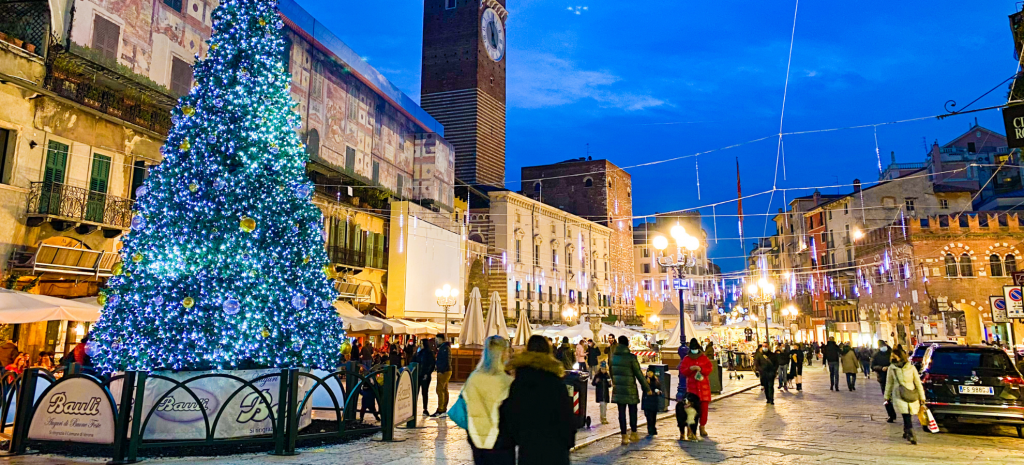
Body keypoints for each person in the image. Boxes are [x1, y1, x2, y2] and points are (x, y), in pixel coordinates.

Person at [499, 335, 576, 465]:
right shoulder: (556, 382)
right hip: (556, 451)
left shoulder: (519, 383)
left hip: (529, 450)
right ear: (548, 351)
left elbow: (510, 417)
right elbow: (567, 416)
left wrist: (519, 439)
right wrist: (568, 442)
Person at [460, 335, 514, 465]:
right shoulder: (506, 381)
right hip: (500, 442)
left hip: (476, 438)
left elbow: (465, 406)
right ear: (502, 354)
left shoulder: (473, 378)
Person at [610, 335, 651, 445]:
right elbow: (639, 374)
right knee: (633, 411)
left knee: (621, 413)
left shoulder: (613, 357)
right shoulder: (631, 357)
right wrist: (647, 388)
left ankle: (624, 436)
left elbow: (611, 372)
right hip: (630, 388)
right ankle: (633, 433)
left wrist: (615, 383)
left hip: (618, 388)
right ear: (627, 344)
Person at [884, 347, 927, 445]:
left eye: (893, 355)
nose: (891, 357)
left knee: (909, 413)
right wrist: (887, 396)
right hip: (898, 394)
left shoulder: (911, 367)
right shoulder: (892, 368)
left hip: (910, 393)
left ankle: (906, 430)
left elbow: (918, 383)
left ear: (899, 356)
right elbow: (889, 383)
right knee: (906, 414)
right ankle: (911, 433)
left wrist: (922, 397)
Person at [677, 338, 712, 437]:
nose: (694, 350)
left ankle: (702, 427)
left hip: (703, 387)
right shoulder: (687, 359)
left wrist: (701, 369)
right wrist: (690, 369)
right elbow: (683, 370)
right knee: (692, 411)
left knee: (704, 410)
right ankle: (692, 430)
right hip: (692, 389)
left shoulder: (704, 358)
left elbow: (709, 368)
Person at [872, 340, 898, 422]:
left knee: (896, 396)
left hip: (893, 377)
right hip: (883, 378)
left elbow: (897, 362)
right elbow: (872, 366)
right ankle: (891, 414)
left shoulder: (891, 353)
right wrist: (881, 368)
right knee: (887, 397)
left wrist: (891, 367)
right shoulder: (876, 355)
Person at [413, 339, 436, 416]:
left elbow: (432, 364)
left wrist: (427, 373)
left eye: (421, 343)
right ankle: (413, 408)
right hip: (418, 375)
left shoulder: (429, 353)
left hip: (425, 375)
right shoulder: (418, 353)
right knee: (416, 391)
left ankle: (425, 409)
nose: (420, 345)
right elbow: (413, 362)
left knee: (424, 392)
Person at [432, 334, 452, 417]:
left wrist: (441, 369)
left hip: (444, 371)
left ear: (442, 339)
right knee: (444, 390)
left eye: (437, 340)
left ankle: (441, 410)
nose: (436, 341)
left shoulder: (444, 348)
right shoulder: (444, 347)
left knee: (440, 390)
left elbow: (446, 360)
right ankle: (443, 409)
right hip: (446, 370)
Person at [641, 368, 662, 436]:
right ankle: (650, 429)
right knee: (648, 416)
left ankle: (653, 428)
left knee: (653, 416)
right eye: (648, 372)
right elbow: (644, 389)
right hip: (647, 400)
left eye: (651, 372)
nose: (649, 374)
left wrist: (659, 392)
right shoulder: (645, 380)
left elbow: (659, 388)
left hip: (654, 401)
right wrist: (647, 383)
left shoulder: (656, 380)